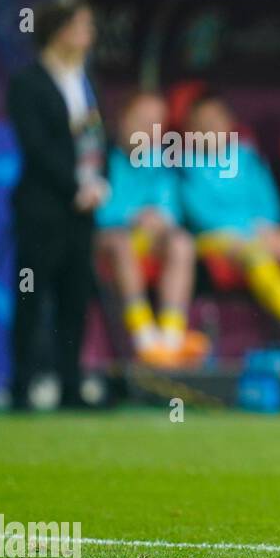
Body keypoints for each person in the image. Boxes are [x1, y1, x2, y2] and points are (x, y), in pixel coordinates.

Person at [6, 0, 107, 410]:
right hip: (43, 208)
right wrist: (73, 187)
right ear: (60, 30)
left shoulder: (84, 82)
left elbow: (96, 139)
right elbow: (37, 147)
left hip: (82, 211)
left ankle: (70, 386)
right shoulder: (28, 83)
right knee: (32, 296)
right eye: (82, 26)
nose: (89, 35)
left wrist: (100, 183)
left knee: (74, 298)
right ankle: (22, 387)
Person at [179, 91, 280, 347]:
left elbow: (268, 202)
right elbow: (199, 213)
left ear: (228, 124)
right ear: (190, 129)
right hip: (213, 237)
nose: (209, 129)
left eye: (215, 122)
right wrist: (248, 231)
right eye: (201, 124)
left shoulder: (246, 158)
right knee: (257, 254)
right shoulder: (185, 165)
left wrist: (266, 228)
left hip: (257, 231)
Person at [95, 90, 208, 368]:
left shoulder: (160, 161)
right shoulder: (102, 158)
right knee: (120, 242)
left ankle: (169, 339)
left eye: (156, 124)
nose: (149, 131)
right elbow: (96, 211)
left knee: (181, 243)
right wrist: (131, 216)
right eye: (142, 121)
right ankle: (144, 338)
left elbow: (170, 209)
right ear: (122, 120)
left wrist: (159, 218)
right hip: (107, 241)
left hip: (148, 241)